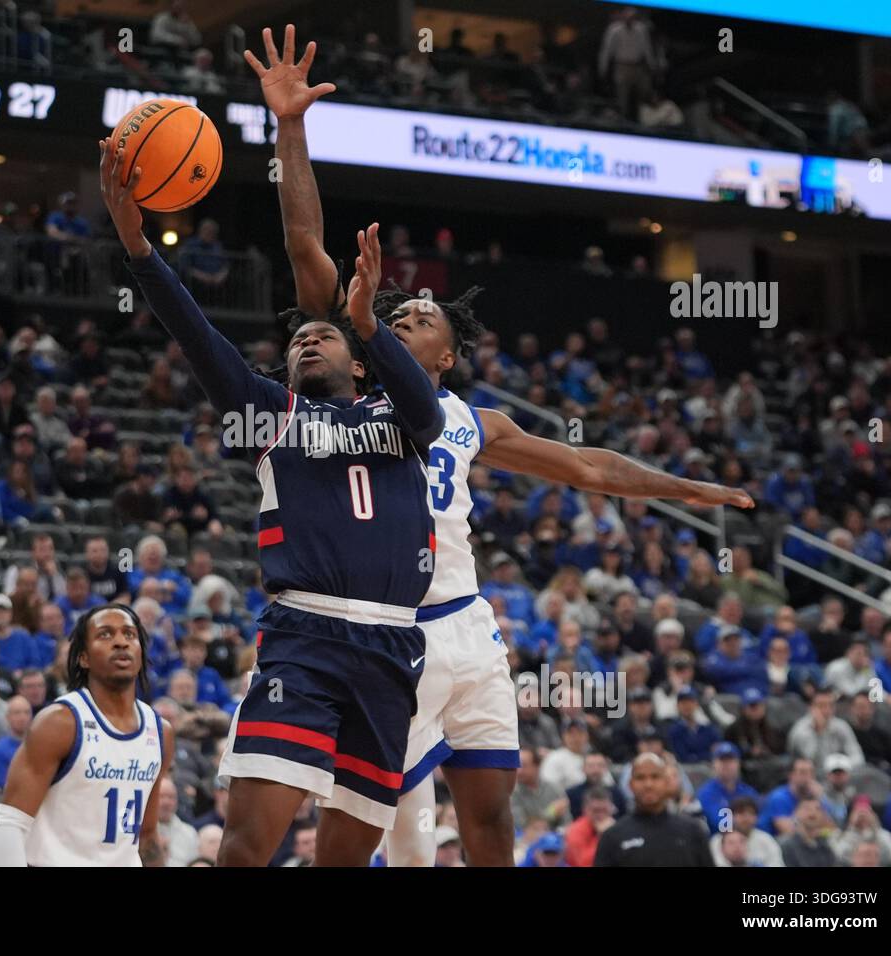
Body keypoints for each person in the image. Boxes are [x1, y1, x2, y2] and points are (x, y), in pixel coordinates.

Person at [250, 21, 753, 868]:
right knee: (389, 833)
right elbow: (306, 244)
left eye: (422, 318)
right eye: (396, 313)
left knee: (489, 818)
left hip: (469, 628)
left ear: (447, 355)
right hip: (385, 626)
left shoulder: (475, 422)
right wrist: (291, 128)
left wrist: (689, 489)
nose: (403, 317)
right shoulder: (351, 375)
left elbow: (590, 466)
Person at [104, 132, 444, 867]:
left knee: (346, 858)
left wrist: (368, 322)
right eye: (298, 342)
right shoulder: (272, 414)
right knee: (246, 848)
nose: (308, 342)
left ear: (362, 359)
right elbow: (198, 338)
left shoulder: (405, 417)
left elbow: (429, 409)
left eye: (326, 336)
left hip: (393, 646)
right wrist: (141, 252)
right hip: (305, 642)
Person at [0, 605, 174, 866]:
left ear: (141, 653)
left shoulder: (160, 732)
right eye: (105, 635)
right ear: (84, 657)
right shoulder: (59, 722)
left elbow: (146, 835)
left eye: (129, 635)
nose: (121, 642)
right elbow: (9, 826)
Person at [594, 753, 714, 866]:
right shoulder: (612, 837)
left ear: (666, 783)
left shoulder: (693, 832)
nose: (648, 784)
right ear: (630, 785)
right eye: (640, 778)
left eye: (655, 777)